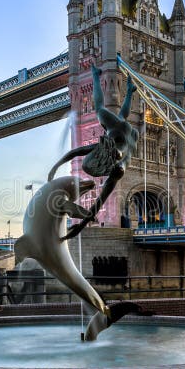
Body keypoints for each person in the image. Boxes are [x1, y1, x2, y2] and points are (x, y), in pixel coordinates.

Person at [48, 63, 139, 239]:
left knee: (108, 112)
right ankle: (100, 77)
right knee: (104, 111)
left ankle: (124, 88)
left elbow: (98, 202)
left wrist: (80, 226)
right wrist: (55, 167)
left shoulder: (118, 168)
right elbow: (77, 152)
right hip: (122, 133)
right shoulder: (112, 157)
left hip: (131, 137)